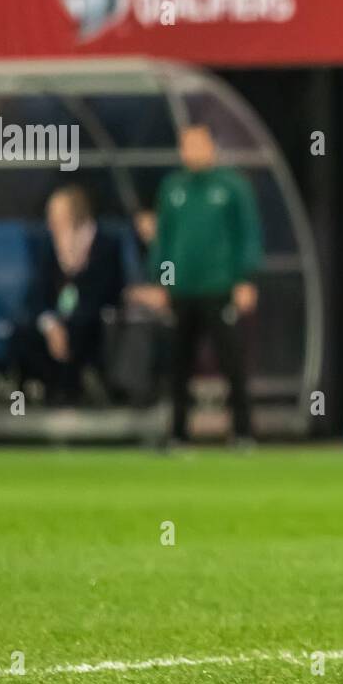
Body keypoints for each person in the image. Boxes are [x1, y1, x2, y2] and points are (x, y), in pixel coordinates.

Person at [151, 124, 262, 445]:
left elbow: (248, 234)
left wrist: (245, 279)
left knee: (231, 362)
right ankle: (178, 434)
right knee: (179, 365)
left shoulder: (232, 186)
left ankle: (242, 432)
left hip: (219, 287)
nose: (193, 151)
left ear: (211, 147)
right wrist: (161, 281)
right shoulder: (172, 188)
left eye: (199, 145)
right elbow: (163, 239)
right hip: (182, 288)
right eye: (187, 145)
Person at [20, 184, 126, 405]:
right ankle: (38, 393)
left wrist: (68, 320)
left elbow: (108, 289)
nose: (50, 220)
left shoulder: (105, 244)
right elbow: (38, 291)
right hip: (56, 317)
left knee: (78, 328)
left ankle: (76, 392)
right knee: (24, 332)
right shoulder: (48, 247)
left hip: (92, 317)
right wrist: (50, 324)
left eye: (56, 214)